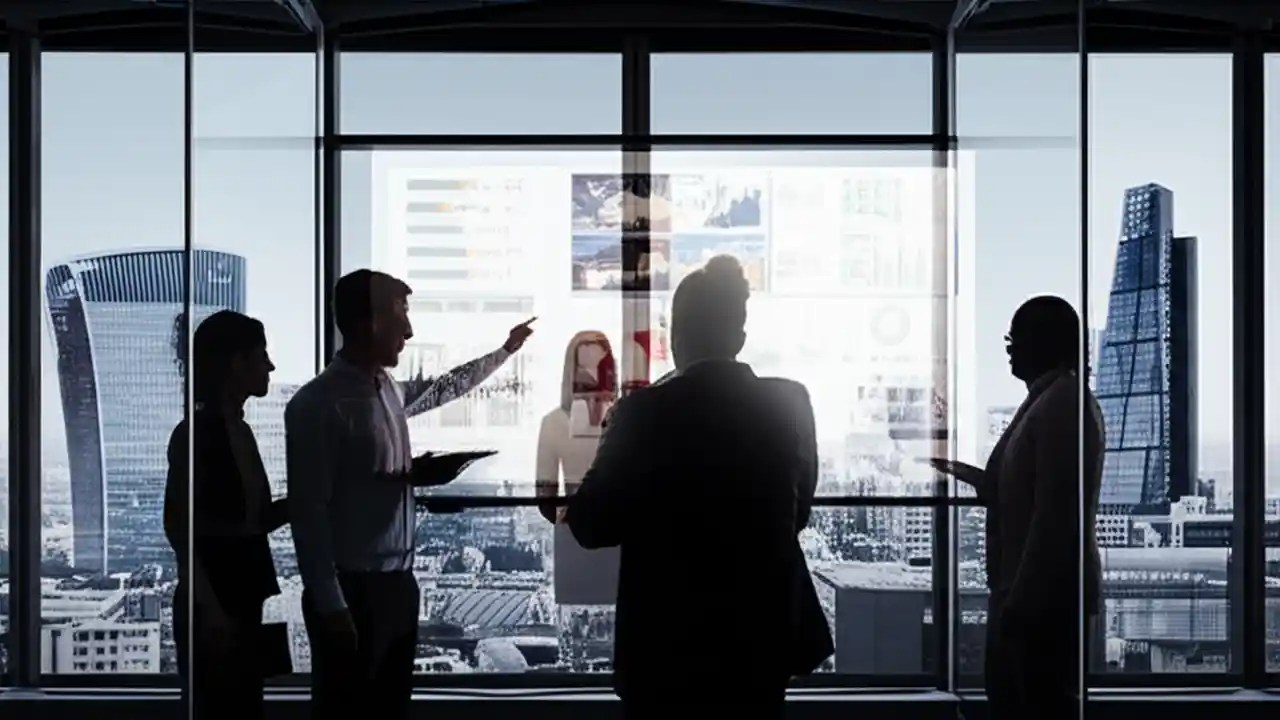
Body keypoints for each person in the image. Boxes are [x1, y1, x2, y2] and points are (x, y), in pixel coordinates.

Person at [564, 255, 832, 717]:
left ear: (674, 340)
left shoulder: (642, 414)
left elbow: (592, 525)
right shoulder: (790, 403)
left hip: (666, 647)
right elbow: (798, 511)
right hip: (759, 641)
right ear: (739, 336)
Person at [286, 269, 534, 719]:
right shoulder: (317, 405)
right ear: (368, 323)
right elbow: (308, 512)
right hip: (353, 590)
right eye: (401, 315)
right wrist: (330, 604)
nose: (409, 330)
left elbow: (450, 385)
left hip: (397, 585)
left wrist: (505, 352)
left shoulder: (389, 393)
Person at [930, 295, 1104, 720]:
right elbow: (1037, 493)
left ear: (1047, 342)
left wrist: (1020, 604)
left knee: (1035, 705)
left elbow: (1053, 519)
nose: (1009, 348)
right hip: (1034, 597)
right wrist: (983, 479)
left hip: (1041, 601)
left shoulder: (1061, 404)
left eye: (1017, 337)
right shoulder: (1051, 400)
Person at [163, 309, 289, 719]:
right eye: (261, 354)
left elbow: (255, 520)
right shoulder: (194, 435)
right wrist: (210, 609)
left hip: (236, 597)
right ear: (236, 362)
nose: (270, 365)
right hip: (215, 601)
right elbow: (180, 529)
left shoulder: (240, 432)